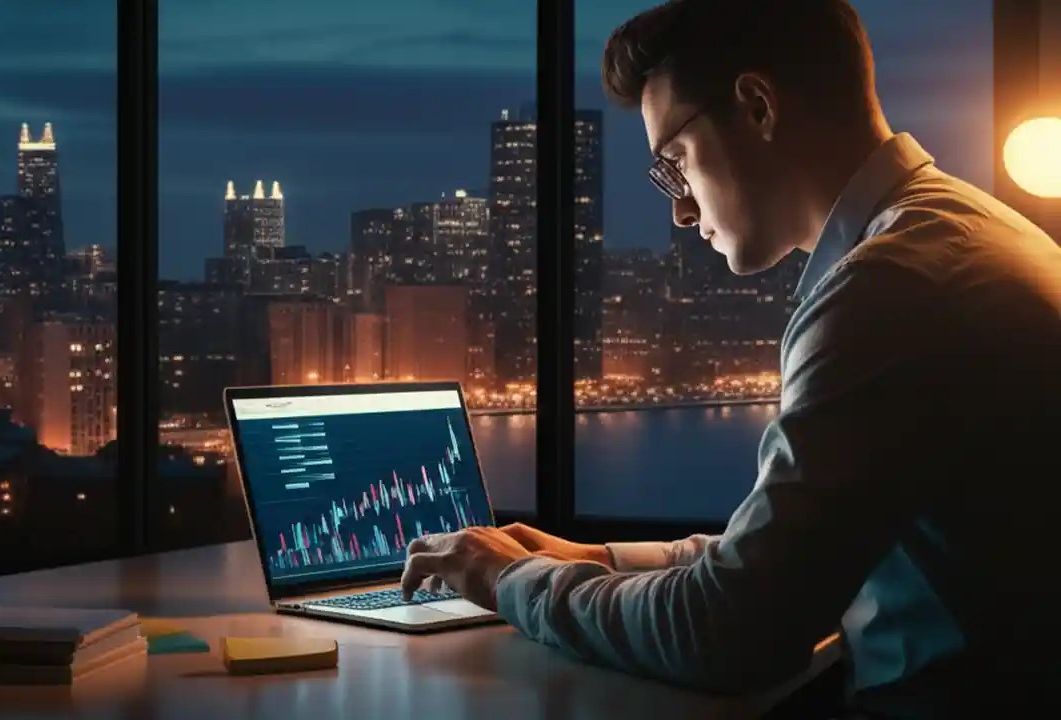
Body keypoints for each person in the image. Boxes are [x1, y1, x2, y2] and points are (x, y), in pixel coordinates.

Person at [401, 0, 1061, 716]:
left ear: (756, 106)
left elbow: (730, 631)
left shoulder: (889, 289)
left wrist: (509, 584)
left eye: (675, 162)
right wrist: (596, 560)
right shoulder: (962, 236)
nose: (681, 210)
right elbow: (776, 559)